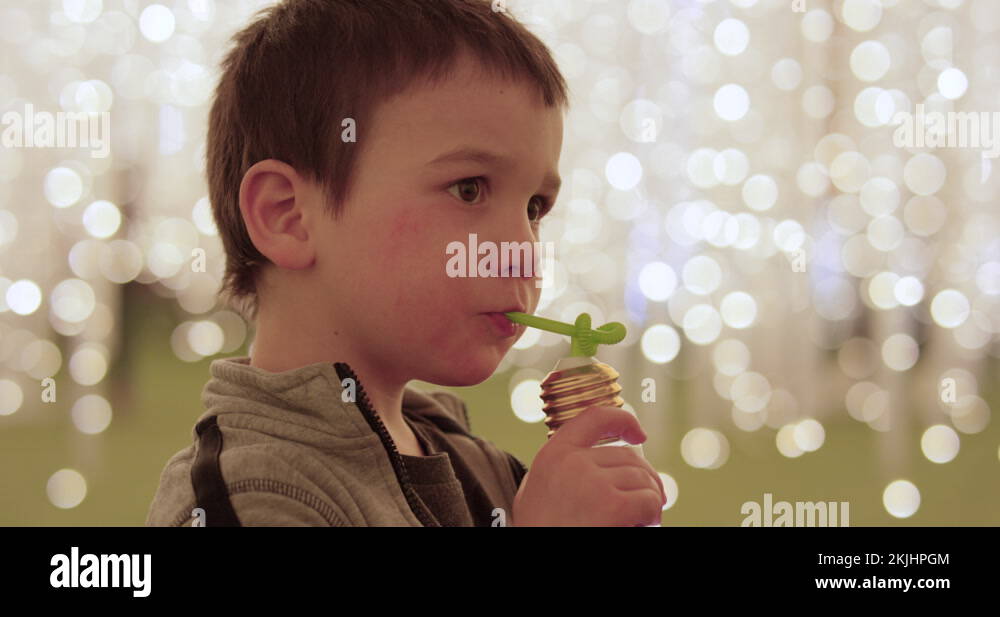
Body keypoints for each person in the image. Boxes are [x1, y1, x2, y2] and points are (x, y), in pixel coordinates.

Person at [146, 0, 665, 527]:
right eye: (469, 190)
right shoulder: (248, 497)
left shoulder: (474, 463)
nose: (524, 253)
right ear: (288, 216)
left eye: (535, 208)